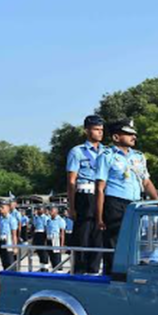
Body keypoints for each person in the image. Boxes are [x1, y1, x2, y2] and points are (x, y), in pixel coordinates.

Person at [96, 120, 158, 274]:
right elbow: (100, 187)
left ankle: (131, 272)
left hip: (136, 203)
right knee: (114, 242)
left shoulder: (138, 157)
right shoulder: (107, 156)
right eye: (129, 134)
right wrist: (99, 217)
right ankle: (111, 274)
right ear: (116, 137)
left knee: (135, 240)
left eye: (134, 134)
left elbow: (146, 181)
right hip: (115, 203)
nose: (134, 137)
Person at [67, 115, 107, 274]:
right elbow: (71, 180)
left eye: (101, 130)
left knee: (99, 232)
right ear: (87, 130)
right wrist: (71, 206)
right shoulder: (77, 152)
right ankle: (80, 269)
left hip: (103, 194)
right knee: (83, 235)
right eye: (96, 129)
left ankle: (94, 269)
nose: (100, 133)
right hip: (85, 195)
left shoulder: (106, 151)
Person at [45, 206, 66, 272]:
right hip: (49, 238)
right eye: (50, 210)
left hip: (56, 238)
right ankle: (53, 269)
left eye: (52, 210)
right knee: (51, 255)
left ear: (56, 212)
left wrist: (61, 245)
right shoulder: (48, 220)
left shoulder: (60, 220)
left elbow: (62, 233)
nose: (50, 212)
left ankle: (59, 270)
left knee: (56, 256)